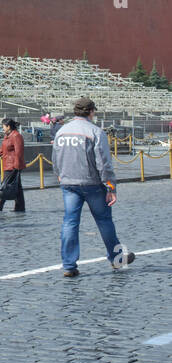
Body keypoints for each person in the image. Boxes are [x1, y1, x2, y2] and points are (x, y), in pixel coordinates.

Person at [52, 97, 134, 278]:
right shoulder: (95, 132)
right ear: (91, 111)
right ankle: (116, 258)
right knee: (104, 221)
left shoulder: (62, 131)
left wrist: (60, 175)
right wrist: (111, 187)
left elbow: (55, 157)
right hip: (92, 184)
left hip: (68, 184)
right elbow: (103, 163)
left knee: (69, 222)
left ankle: (68, 265)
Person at [0, 117, 26, 212]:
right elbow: (2, 150)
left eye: (3, 126)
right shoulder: (8, 136)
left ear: (8, 126)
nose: (2, 128)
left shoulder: (16, 136)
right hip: (9, 164)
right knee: (16, 187)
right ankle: (20, 207)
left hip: (12, 165)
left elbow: (19, 152)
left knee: (5, 185)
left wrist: (16, 167)